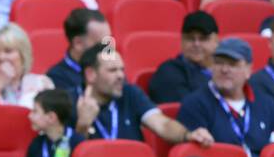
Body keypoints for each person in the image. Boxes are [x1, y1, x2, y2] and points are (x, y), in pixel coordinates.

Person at [73, 42, 214, 146]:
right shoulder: (70, 101)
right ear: (90, 74)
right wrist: (82, 127)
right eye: (112, 70)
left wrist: (187, 134)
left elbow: (162, 124)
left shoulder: (129, 93)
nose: (121, 76)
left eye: (122, 69)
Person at [176, 37, 274, 157]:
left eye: (232, 64)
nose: (224, 70)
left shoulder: (266, 103)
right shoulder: (195, 104)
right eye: (219, 63)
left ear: (248, 70)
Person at [149, 10, 218, 103]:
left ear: (216, 41)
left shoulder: (225, 70)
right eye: (190, 38)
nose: (196, 44)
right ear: (182, 41)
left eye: (203, 38)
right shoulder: (169, 72)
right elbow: (189, 111)